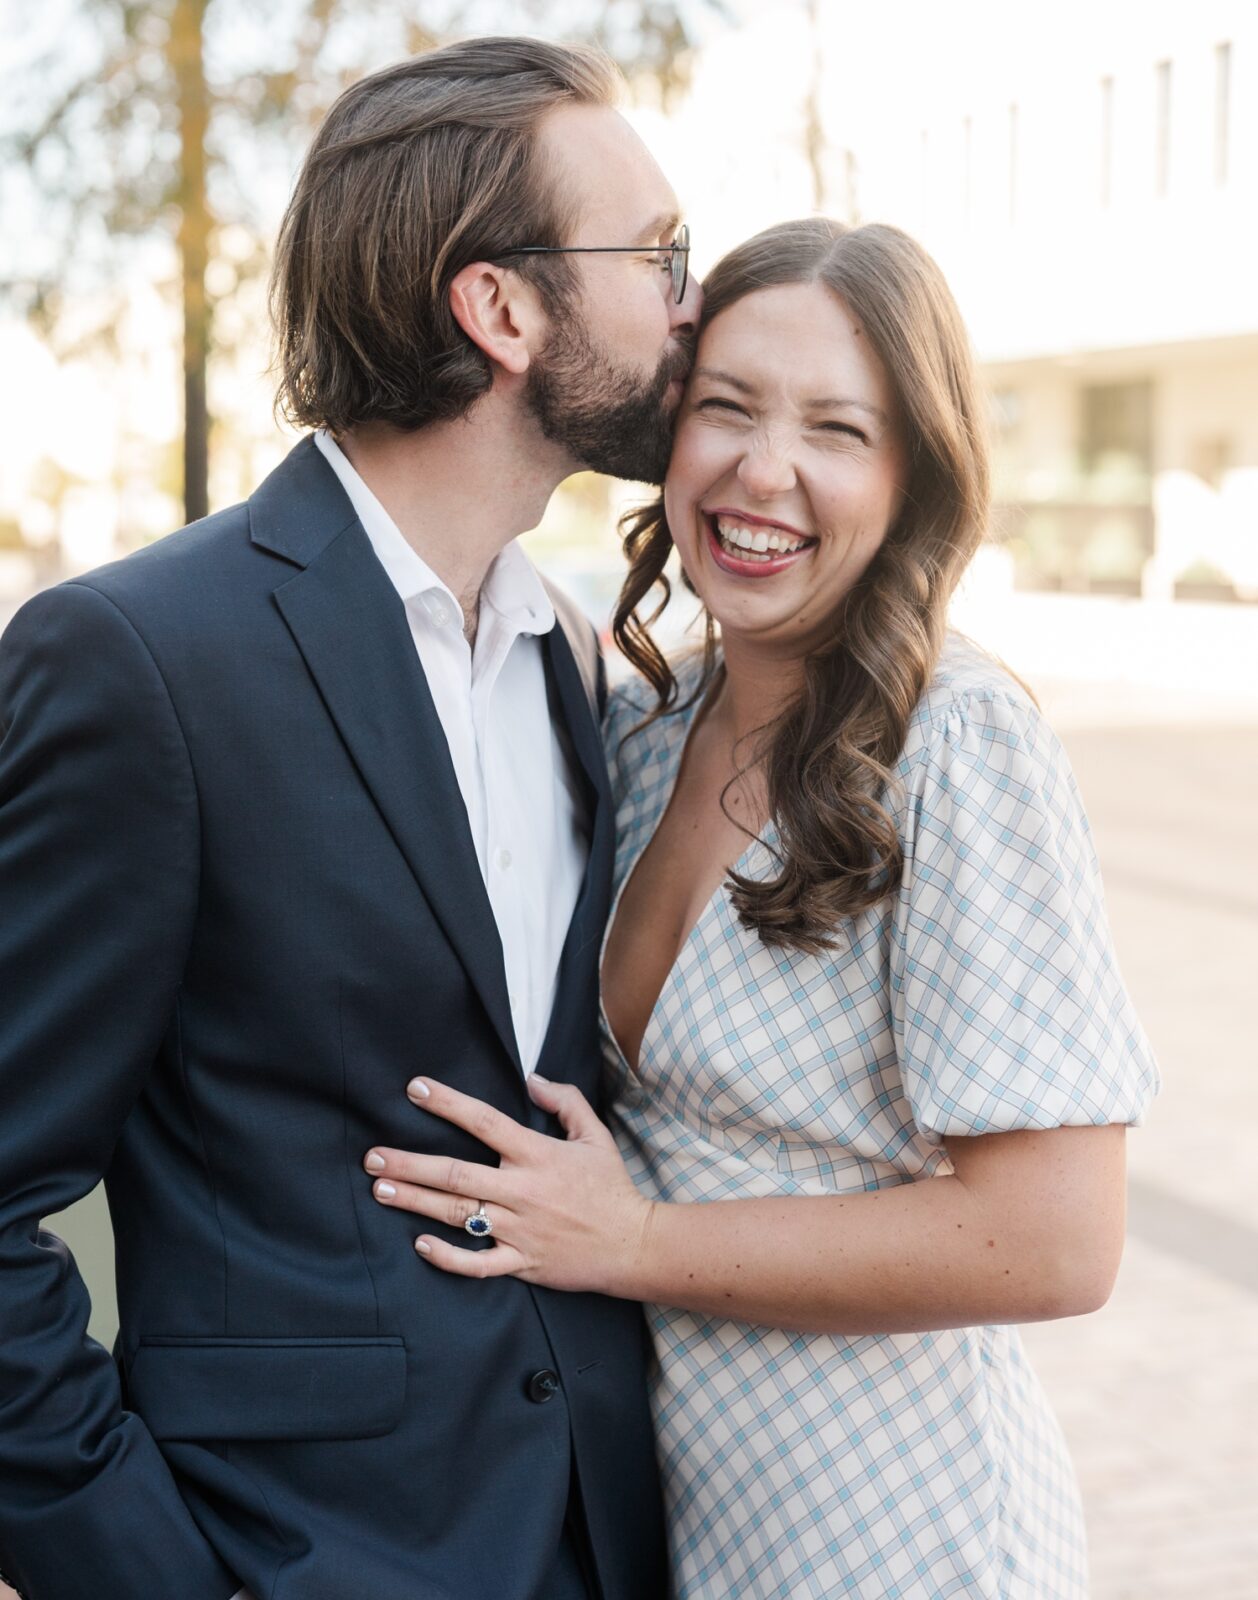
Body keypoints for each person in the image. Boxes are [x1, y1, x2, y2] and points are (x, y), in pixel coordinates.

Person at [360, 218, 1160, 1599]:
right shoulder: (642, 730)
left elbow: (1056, 1238)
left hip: (902, 1537)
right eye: (725, 407)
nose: (761, 468)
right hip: (680, 1517)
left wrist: (639, 1246)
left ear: (909, 479)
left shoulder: (954, 746)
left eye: (837, 429)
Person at [0, 36, 700, 1600]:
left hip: (597, 1542)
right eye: (656, 254)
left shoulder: (576, 663)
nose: (687, 302)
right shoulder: (142, 660)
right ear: (499, 306)